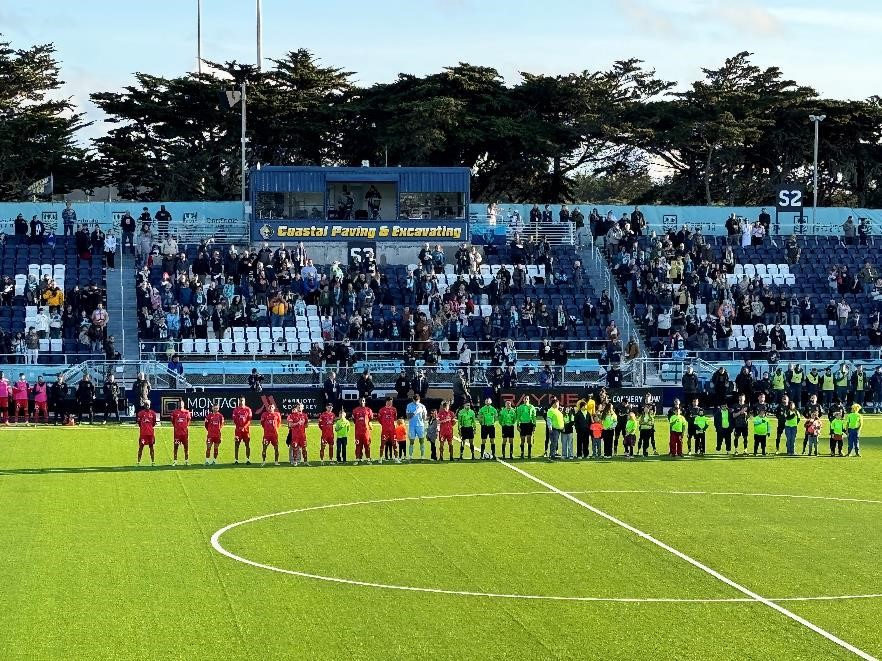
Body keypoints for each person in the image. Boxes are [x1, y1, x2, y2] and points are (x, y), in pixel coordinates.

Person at [406, 394, 428, 460]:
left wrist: (424, 413)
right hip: (412, 426)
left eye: (417, 400)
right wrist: (415, 412)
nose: (416, 402)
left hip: (420, 426)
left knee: (421, 441)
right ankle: (410, 456)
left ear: (419, 399)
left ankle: (422, 456)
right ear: (413, 399)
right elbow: (408, 416)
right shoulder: (409, 405)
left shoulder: (422, 406)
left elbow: (424, 418)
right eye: (415, 400)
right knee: (411, 441)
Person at [170, 400, 192, 466]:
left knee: (186, 447)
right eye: (179, 404)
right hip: (177, 434)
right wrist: (177, 427)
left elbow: (188, 421)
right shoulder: (174, 413)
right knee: (176, 447)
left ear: (183, 404)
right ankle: (175, 461)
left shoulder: (187, 412)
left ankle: (186, 461)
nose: (181, 405)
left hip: (185, 434)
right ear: (178, 404)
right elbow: (173, 421)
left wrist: (185, 427)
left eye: (182, 404)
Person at [352, 397, 373, 464]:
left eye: (363, 401)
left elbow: (371, 419)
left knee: (367, 445)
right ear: (359, 401)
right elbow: (354, 420)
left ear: (365, 402)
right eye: (361, 400)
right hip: (358, 431)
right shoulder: (355, 410)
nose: (362, 402)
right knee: (358, 445)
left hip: (366, 431)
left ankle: (368, 459)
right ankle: (358, 459)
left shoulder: (368, 410)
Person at [232, 397, 253, 464]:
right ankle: (236, 460)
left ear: (244, 401)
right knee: (236, 444)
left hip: (246, 431)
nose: (241, 402)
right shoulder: (236, 410)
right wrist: (239, 427)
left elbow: (249, 420)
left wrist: (244, 427)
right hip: (238, 431)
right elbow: (234, 420)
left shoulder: (248, 409)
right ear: (239, 401)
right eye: (240, 400)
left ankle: (247, 459)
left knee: (247, 444)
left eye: (242, 400)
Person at [378, 397, 398, 463]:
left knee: (394, 444)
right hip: (385, 430)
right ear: (386, 402)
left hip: (392, 430)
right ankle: (380, 458)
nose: (390, 403)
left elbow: (395, 419)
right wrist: (384, 425)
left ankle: (396, 458)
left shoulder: (394, 409)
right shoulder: (382, 410)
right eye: (389, 402)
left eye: (391, 402)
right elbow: (379, 419)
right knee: (383, 443)